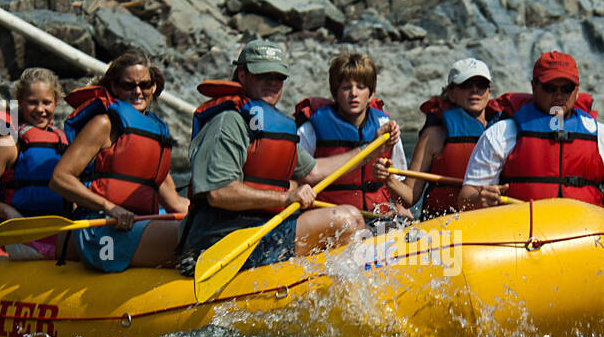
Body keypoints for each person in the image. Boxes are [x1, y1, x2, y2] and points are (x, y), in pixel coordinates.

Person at [177, 40, 398, 273]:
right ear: (242, 75)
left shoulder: (274, 126)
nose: (273, 82)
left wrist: (370, 149)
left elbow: (314, 171)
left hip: (262, 227)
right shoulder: (228, 122)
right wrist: (286, 198)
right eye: (263, 75)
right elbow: (219, 192)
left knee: (349, 218)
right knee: (347, 220)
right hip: (223, 236)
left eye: (278, 77)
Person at [49, 51, 189, 271]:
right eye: (129, 85)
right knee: (193, 237)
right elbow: (59, 178)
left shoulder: (154, 135)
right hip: (102, 228)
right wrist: (110, 207)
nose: (138, 92)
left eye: (144, 85)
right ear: (114, 87)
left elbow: (174, 202)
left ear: (153, 87)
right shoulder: (103, 124)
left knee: (205, 227)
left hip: (138, 226)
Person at [459, 51, 604, 216]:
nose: (559, 95)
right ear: (534, 87)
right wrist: (477, 199)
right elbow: (465, 198)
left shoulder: (600, 135)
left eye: (567, 88)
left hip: (586, 237)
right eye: (550, 88)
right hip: (521, 238)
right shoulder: (501, 133)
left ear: (577, 89)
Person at [0, 68, 71, 260]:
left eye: (46, 103)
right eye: (32, 102)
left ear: (56, 103)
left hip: (58, 233)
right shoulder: (7, 144)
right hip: (16, 236)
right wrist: (7, 211)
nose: (40, 109)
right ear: (20, 103)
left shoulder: (65, 143)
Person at [294, 52, 411, 217]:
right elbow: (295, 179)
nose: (353, 93)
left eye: (361, 87)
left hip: (377, 218)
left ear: (371, 94)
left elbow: (400, 190)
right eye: (346, 87)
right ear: (335, 93)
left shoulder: (385, 127)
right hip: (332, 222)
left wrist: (400, 209)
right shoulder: (311, 128)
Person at [399, 57, 501, 218]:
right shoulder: (434, 136)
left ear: (489, 91)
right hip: (445, 224)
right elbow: (408, 197)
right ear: (451, 93)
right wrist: (388, 179)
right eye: (466, 85)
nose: (474, 90)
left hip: (492, 224)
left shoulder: (503, 131)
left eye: (481, 85)